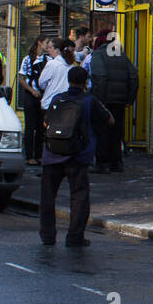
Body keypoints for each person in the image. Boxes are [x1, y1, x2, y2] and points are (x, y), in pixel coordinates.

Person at [39, 65, 112, 248]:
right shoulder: (89, 101)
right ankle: (75, 237)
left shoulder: (57, 98)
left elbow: (46, 121)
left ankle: (47, 236)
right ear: (85, 82)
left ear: (69, 80)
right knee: (79, 197)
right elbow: (109, 120)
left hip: (52, 153)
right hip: (78, 156)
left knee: (48, 197)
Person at [90, 31, 138, 173]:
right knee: (116, 131)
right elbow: (134, 76)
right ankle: (116, 162)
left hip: (105, 100)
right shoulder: (121, 55)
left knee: (102, 131)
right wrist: (130, 99)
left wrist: (99, 100)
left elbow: (101, 76)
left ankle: (102, 163)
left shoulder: (98, 55)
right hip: (120, 100)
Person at [16, 37, 51, 166]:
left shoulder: (48, 60)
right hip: (31, 96)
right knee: (30, 127)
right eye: (46, 43)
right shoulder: (28, 59)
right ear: (39, 43)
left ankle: (39, 155)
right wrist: (32, 91)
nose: (48, 46)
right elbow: (21, 78)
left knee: (40, 127)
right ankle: (29, 155)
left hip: (43, 97)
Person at [37, 39, 79, 110]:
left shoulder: (52, 64)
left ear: (57, 50)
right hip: (66, 104)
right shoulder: (71, 65)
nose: (48, 50)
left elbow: (41, 83)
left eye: (50, 48)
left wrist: (49, 87)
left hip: (50, 103)